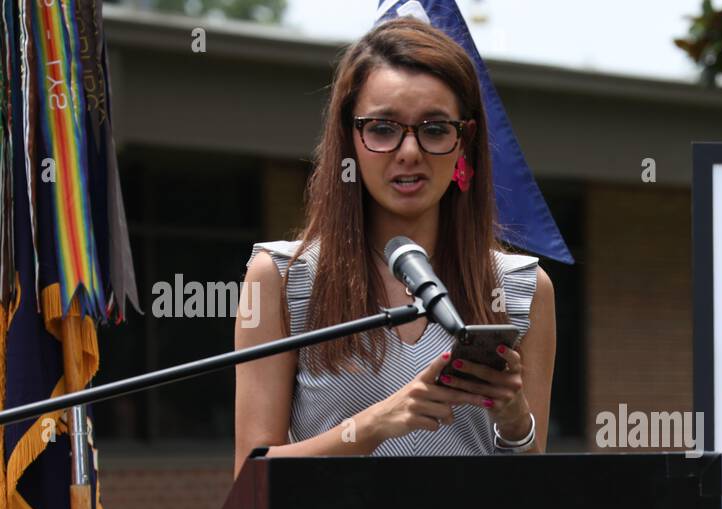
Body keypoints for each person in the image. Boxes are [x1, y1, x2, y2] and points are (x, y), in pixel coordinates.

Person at [234, 19, 556, 477]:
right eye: (383, 128)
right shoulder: (278, 279)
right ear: (350, 139)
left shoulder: (525, 289)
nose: (409, 151)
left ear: (464, 143)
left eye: (435, 129)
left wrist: (513, 421)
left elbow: (534, 493)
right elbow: (250, 476)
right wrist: (372, 427)